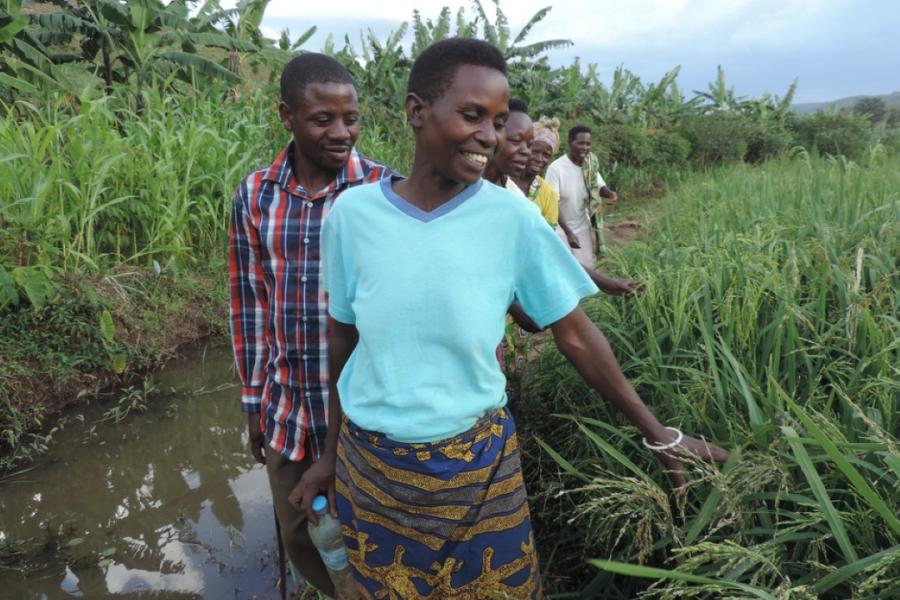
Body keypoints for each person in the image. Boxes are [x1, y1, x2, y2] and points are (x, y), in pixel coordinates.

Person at [292, 38, 727, 599]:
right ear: (417, 111)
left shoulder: (512, 219)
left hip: (478, 470)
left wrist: (659, 434)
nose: (489, 137)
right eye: (472, 115)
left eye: (497, 122)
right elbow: (342, 340)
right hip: (374, 470)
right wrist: (327, 456)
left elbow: (574, 334)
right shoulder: (353, 216)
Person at [228, 53, 392, 596]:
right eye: (323, 119)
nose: (341, 132)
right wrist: (254, 406)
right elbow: (250, 307)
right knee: (302, 537)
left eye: (351, 118)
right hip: (288, 408)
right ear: (287, 116)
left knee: (375, 537)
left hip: (367, 412)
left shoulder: (384, 193)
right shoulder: (255, 195)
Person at [545, 125, 618, 266]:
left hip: (582, 226)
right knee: (565, 270)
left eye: (588, 144)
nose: (585, 147)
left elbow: (599, 186)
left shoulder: (589, 165)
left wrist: (610, 194)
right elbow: (553, 203)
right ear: (570, 143)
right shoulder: (556, 169)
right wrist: (568, 232)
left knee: (587, 269)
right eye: (580, 143)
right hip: (560, 229)